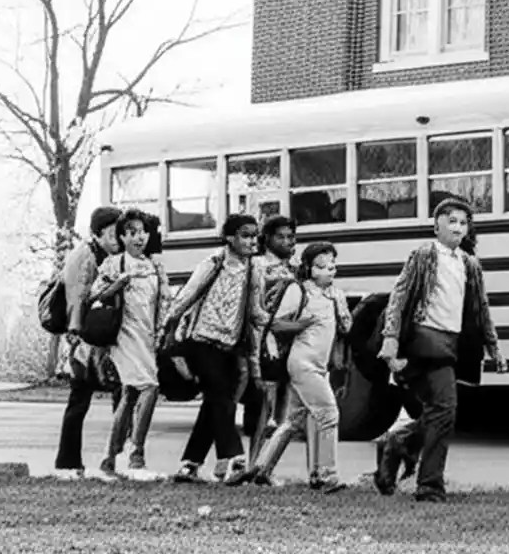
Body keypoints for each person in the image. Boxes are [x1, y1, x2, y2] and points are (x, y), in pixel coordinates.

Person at [376, 198, 508, 502]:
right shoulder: (424, 255)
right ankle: (429, 485)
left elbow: (481, 309)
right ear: (437, 225)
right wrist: (390, 339)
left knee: (439, 412)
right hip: (422, 339)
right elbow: (400, 296)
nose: (458, 228)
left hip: (450, 342)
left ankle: (397, 443)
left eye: (463, 223)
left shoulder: (469, 264)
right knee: (445, 410)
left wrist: (493, 347)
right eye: (452, 221)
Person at [230, 241, 351, 493]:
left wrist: (341, 310)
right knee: (329, 414)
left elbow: (345, 328)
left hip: (319, 365)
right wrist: (303, 324)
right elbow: (276, 324)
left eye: (332, 265)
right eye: (322, 266)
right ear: (308, 268)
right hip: (302, 363)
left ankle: (262, 468)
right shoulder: (299, 291)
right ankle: (327, 474)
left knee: (294, 420)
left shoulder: (335, 294)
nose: (329, 270)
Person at [164, 214, 269, 484]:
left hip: (230, 346)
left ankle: (190, 464)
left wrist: (280, 323)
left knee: (214, 402)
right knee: (221, 396)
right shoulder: (213, 263)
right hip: (200, 341)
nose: (251, 241)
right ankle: (235, 459)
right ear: (230, 238)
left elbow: (256, 311)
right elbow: (185, 297)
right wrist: (167, 334)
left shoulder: (254, 270)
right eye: (245, 235)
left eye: (254, 236)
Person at [92, 209, 170, 481]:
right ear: (122, 236)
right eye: (133, 232)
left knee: (130, 394)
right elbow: (96, 296)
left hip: (147, 338)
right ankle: (136, 455)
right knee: (150, 387)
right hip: (124, 336)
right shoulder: (113, 264)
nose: (139, 237)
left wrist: (160, 333)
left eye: (143, 232)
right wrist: (118, 284)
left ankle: (109, 457)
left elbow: (163, 304)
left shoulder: (154, 267)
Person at [52, 206, 124, 481]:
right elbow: (77, 297)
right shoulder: (85, 256)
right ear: (98, 233)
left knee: (112, 394)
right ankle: (69, 463)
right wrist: (76, 333)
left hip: (96, 338)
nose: (118, 237)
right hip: (84, 340)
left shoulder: (103, 254)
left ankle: (105, 459)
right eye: (113, 232)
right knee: (81, 398)